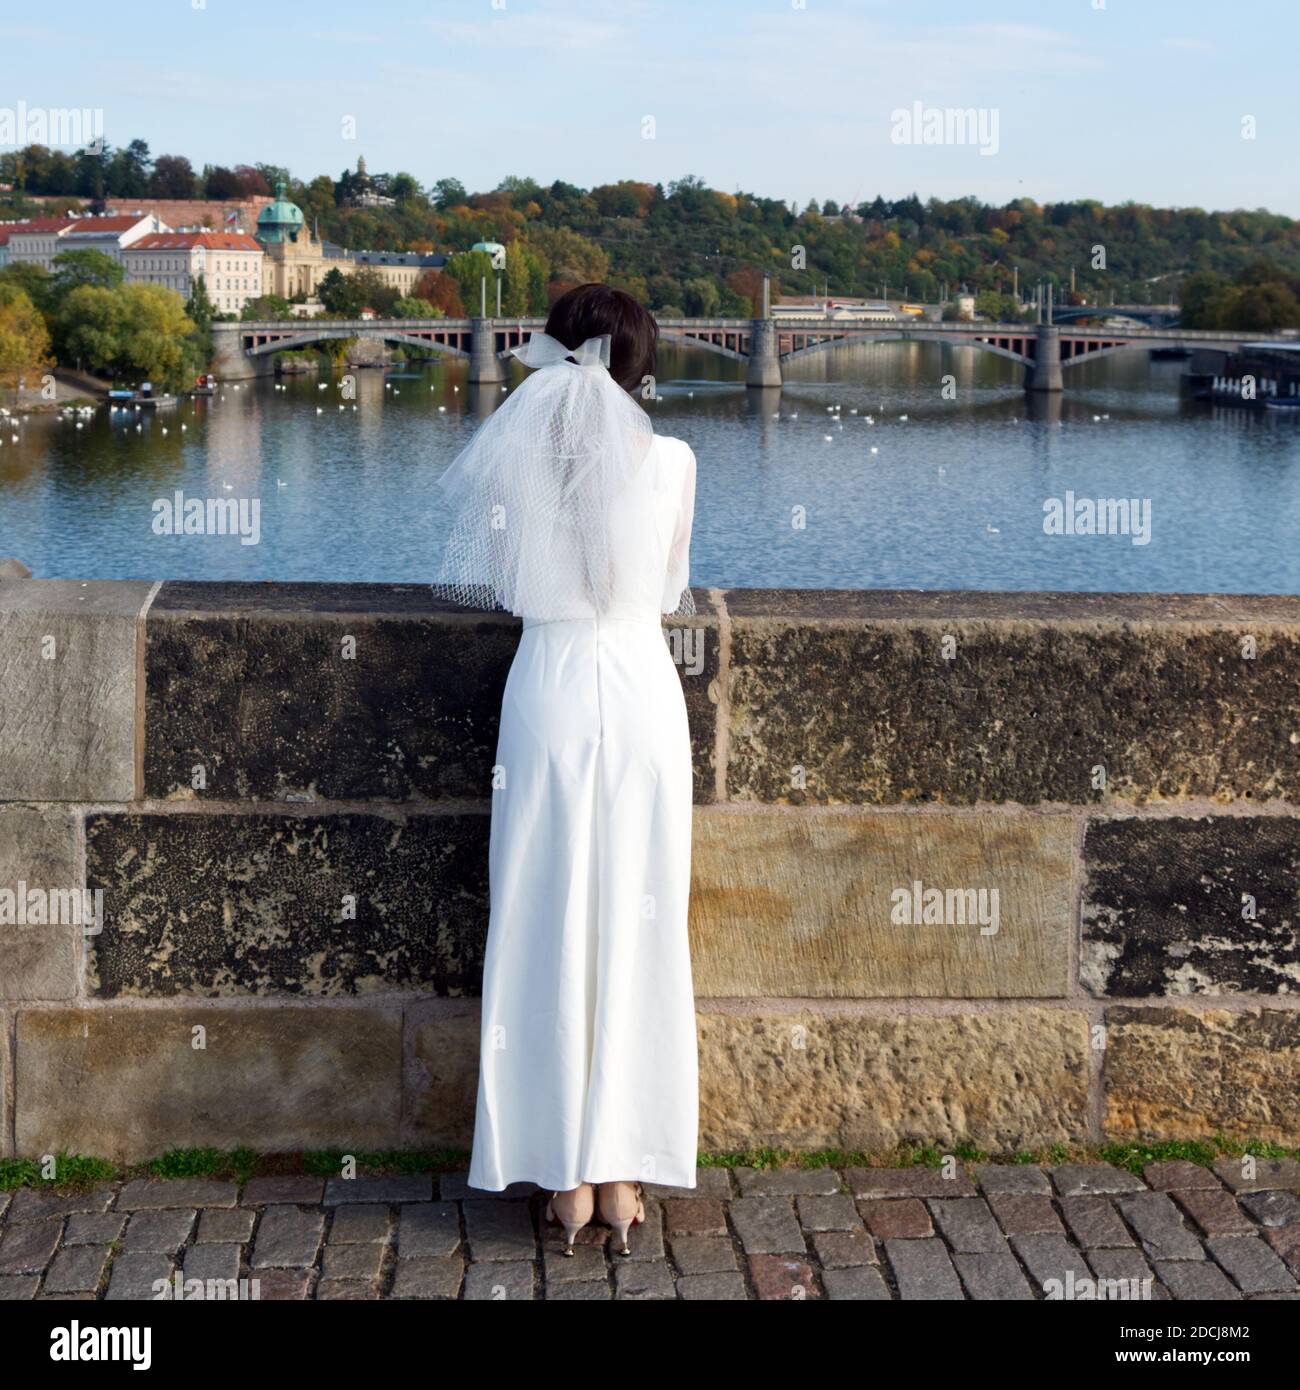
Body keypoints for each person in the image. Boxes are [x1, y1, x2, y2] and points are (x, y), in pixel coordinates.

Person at [435, 284, 699, 1256]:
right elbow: (664, 588)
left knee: (542, 912)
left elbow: (510, 585)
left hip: (547, 687)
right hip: (636, 694)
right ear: (639, 370)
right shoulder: (673, 462)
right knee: (637, 917)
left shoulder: (514, 460)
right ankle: (625, 1169)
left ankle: (563, 1172)